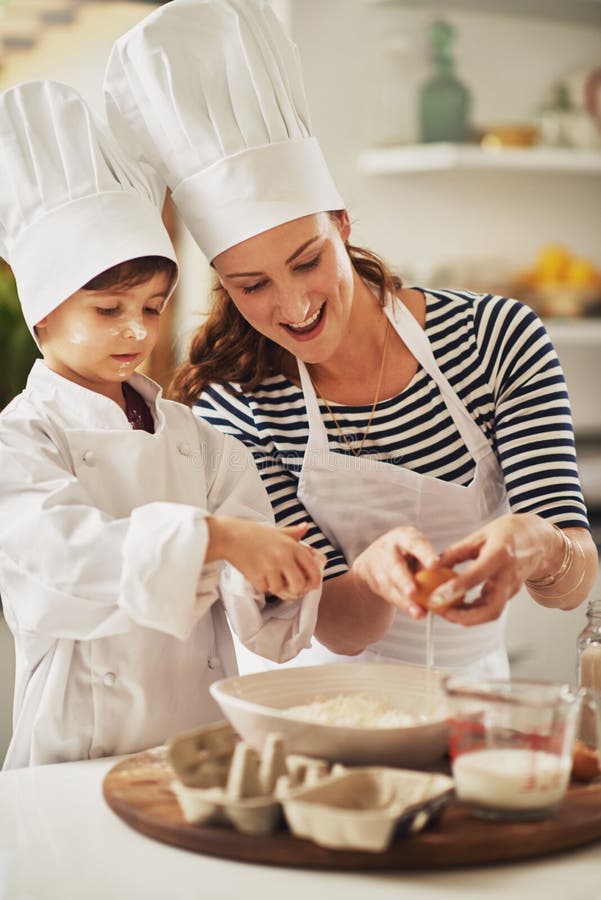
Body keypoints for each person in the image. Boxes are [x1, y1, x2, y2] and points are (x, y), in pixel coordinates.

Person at [104, 0, 598, 678]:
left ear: (340, 222)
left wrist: (536, 545)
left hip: (468, 704)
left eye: (306, 260)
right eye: (253, 286)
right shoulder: (236, 400)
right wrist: (368, 574)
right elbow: (337, 626)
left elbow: (569, 583)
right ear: (222, 282)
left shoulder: (495, 338)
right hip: (307, 708)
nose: (294, 304)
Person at [0, 79, 323, 769]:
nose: (136, 331)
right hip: (75, 756)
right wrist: (221, 541)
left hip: (198, 748)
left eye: (152, 307)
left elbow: (249, 602)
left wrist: (271, 578)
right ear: (44, 313)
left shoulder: (197, 438)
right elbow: (62, 564)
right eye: (109, 308)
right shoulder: (19, 439)